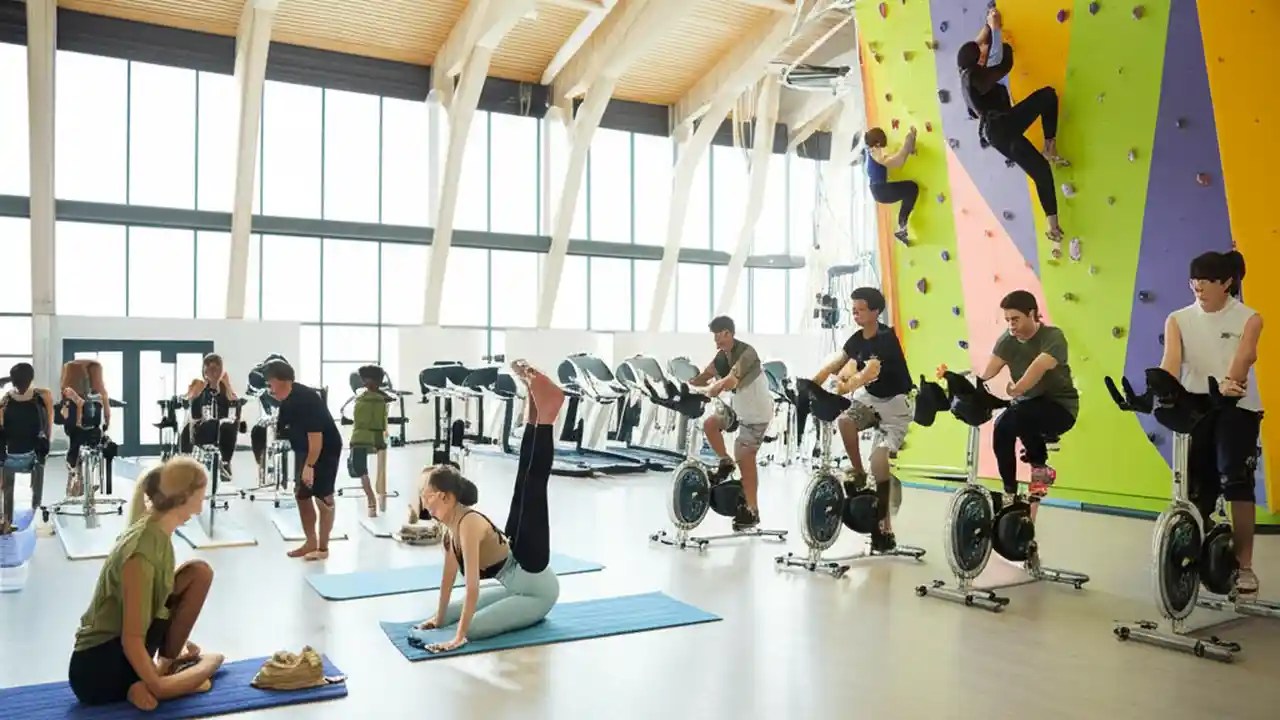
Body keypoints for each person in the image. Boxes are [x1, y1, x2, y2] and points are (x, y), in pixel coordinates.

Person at [411, 361, 563, 652]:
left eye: (427, 494)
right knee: (523, 478)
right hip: (515, 573)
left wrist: (458, 638)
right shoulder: (449, 530)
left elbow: (472, 588)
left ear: (446, 497)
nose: (423, 500)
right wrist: (439, 619)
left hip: (536, 586)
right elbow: (448, 581)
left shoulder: (467, 525)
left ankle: (547, 415)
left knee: (533, 487)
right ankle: (535, 406)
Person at [67, 456, 224, 711]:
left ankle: (157, 670)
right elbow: (131, 639)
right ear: (184, 496)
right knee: (208, 663)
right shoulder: (140, 555)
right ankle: (143, 682)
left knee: (199, 573)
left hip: (125, 650)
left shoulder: (159, 532)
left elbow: (157, 600)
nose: (200, 507)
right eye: (200, 497)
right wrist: (211, 662)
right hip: (97, 669)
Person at [1159, 250, 1262, 596]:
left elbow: (1245, 356)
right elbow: (1171, 361)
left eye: (1205, 282)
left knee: (1235, 479)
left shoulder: (1249, 317)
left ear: (1226, 283)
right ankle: (1192, 554)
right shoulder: (1178, 318)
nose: (1197, 288)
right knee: (1193, 487)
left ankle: (1245, 567)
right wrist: (1159, 389)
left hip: (1238, 406)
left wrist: (1230, 383)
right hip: (1196, 405)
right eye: (1193, 281)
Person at [958, 7, 1071, 258]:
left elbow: (978, 45)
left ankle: (1050, 147)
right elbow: (999, 59)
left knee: (1041, 166)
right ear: (979, 61)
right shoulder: (978, 78)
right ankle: (1052, 224)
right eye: (982, 52)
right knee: (1047, 100)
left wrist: (989, 23)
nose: (984, 47)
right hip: (1000, 127)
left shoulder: (965, 67)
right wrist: (996, 31)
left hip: (999, 128)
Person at [809, 287, 913, 550]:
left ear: (876, 311)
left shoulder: (887, 338)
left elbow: (869, 372)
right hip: (871, 400)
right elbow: (840, 362)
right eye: (853, 308)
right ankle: (857, 471)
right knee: (845, 421)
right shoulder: (856, 339)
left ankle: (884, 528)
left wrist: (845, 385)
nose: (855, 312)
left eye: (861, 309)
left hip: (895, 406)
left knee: (880, 463)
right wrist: (814, 382)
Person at [975, 290, 1078, 513]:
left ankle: (1022, 482)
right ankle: (1020, 488)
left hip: (1060, 408)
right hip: (1027, 407)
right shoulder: (1007, 340)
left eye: (1015, 319)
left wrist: (1016, 388)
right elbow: (988, 371)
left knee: (1013, 419)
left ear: (1032, 314)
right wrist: (969, 387)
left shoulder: (1053, 337)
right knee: (1005, 428)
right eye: (1007, 320)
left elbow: (1038, 368)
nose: (1011, 325)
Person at [688, 316, 775, 531]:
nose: (716, 339)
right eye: (714, 335)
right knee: (710, 424)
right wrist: (685, 386)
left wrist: (713, 388)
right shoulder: (722, 356)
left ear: (728, 333)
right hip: (738, 410)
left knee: (745, 456)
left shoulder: (747, 353)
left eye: (718, 334)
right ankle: (725, 463)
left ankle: (752, 511)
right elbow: (703, 376)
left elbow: (730, 381)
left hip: (757, 414)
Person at [263, 360, 343, 561]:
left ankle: (323, 548)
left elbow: (316, 439)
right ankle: (310, 542)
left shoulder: (307, 399)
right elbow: (284, 431)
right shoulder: (287, 401)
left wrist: (310, 466)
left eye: (270, 383)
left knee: (323, 498)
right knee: (302, 495)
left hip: (324, 450)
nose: (269, 388)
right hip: (305, 449)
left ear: (280, 381)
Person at [1, 363, 54, 532]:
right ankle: (36, 510)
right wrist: (47, 442)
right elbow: (48, 423)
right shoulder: (43, 395)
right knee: (40, 457)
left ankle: (7, 521)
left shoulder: (5, 400)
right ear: (31, 378)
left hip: (9, 458)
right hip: (33, 456)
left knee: (7, 485)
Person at [56, 359, 112, 497]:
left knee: (74, 442)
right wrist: (106, 422)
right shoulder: (98, 397)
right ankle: (87, 477)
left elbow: (63, 417)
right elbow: (106, 416)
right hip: (93, 432)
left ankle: (74, 472)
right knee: (93, 441)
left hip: (73, 431)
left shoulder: (67, 395)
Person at [180, 354, 239, 481]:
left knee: (227, 426)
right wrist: (198, 395)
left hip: (222, 428)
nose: (213, 373)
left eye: (216, 369)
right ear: (204, 371)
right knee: (212, 424)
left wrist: (226, 388)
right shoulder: (200, 388)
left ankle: (225, 462)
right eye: (209, 369)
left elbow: (234, 411)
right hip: (202, 429)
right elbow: (195, 414)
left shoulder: (226, 390)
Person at [863, 126, 919, 244]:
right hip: (880, 190)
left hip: (877, 190)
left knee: (910, 189)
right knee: (911, 188)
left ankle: (902, 228)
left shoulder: (871, 153)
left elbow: (891, 159)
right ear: (877, 143)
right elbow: (897, 162)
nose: (883, 146)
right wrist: (908, 143)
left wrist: (909, 148)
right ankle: (902, 226)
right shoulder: (874, 153)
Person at [349, 365, 390, 517]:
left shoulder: (368, 399)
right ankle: (375, 499)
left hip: (365, 437)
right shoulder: (379, 399)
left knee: (360, 467)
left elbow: (362, 421)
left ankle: (372, 499)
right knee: (364, 468)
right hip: (373, 436)